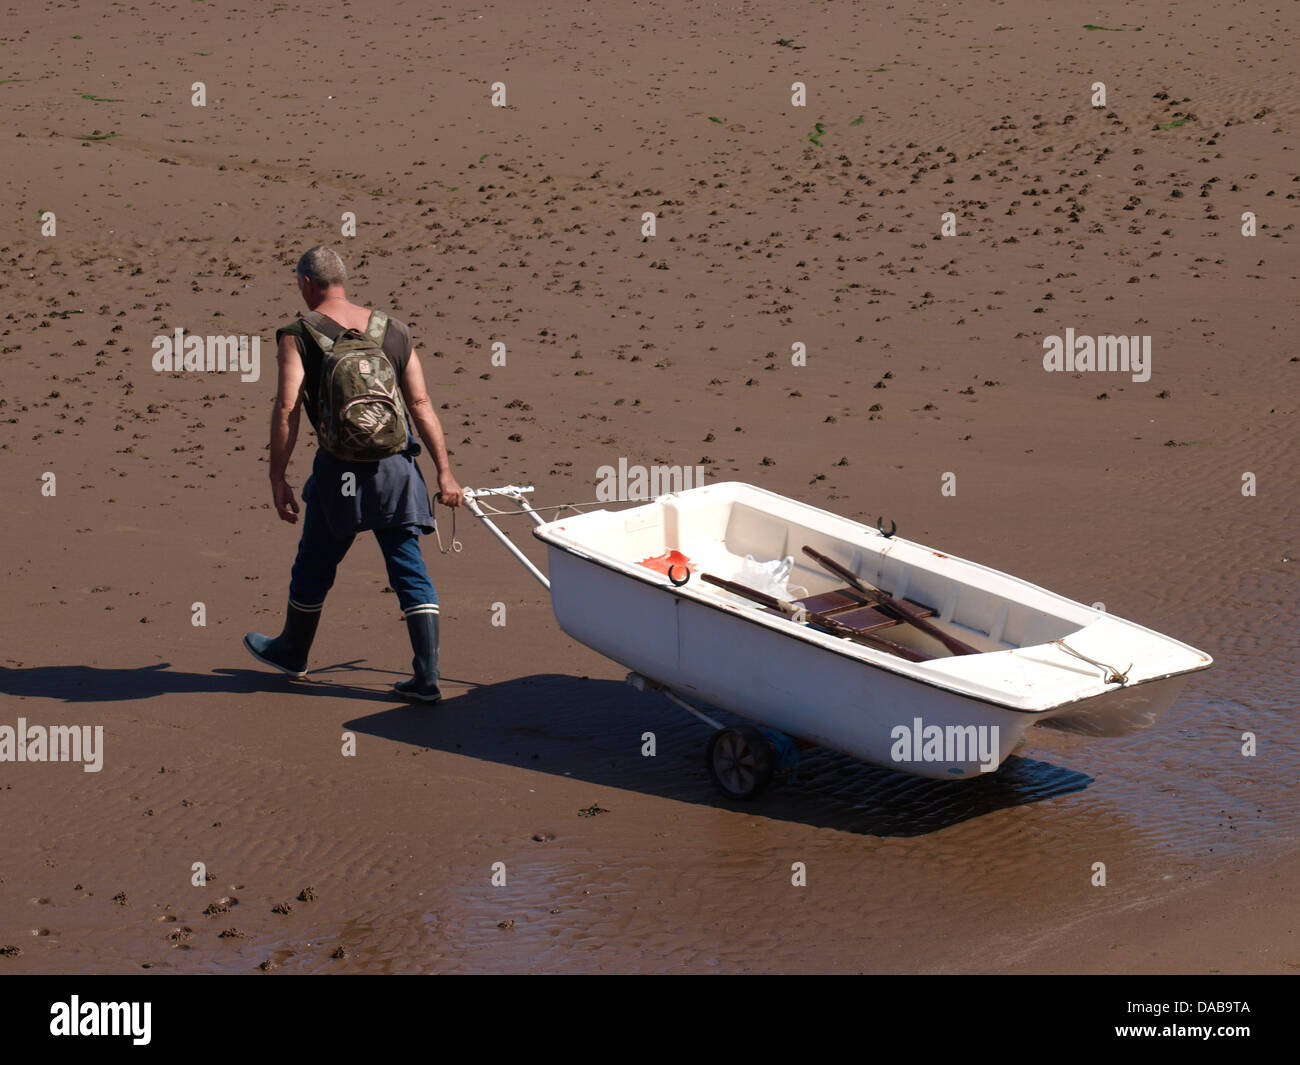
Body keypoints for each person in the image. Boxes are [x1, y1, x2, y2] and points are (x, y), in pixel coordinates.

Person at [243, 245, 462, 702]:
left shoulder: (298, 333)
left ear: (306, 283)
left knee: (315, 563)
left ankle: (291, 651)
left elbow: (287, 407)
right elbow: (420, 404)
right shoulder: (394, 330)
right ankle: (427, 677)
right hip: (398, 471)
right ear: (342, 280)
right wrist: (445, 473)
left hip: (338, 476)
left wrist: (277, 477)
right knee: (408, 569)